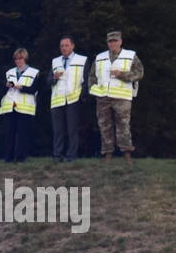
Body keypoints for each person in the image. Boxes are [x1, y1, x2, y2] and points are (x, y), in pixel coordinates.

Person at [88, 30, 143, 163]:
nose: (113, 44)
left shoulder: (130, 55)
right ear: (107, 43)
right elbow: (92, 76)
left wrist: (122, 75)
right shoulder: (100, 57)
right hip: (103, 96)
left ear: (120, 41)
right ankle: (107, 153)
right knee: (104, 125)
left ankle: (127, 153)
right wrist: (93, 90)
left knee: (123, 125)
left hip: (122, 96)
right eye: (110, 41)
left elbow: (139, 72)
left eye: (115, 41)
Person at [47, 35, 86, 162]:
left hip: (73, 99)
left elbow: (86, 81)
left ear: (72, 46)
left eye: (66, 45)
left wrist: (82, 97)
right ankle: (57, 155)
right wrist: (54, 78)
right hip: (57, 99)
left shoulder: (82, 60)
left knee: (72, 130)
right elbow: (48, 81)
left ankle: (71, 156)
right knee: (58, 130)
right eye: (62, 46)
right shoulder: (55, 61)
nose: (64, 48)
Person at [0, 48, 39, 162]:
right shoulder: (9, 72)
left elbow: (34, 89)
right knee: (9, 133)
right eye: (16, 59)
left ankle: (21, 158)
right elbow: (1, 90)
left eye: (20, 58)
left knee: (22, 134)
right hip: (10, 105)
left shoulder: (34, 72)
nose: (18, 61)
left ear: (25, 59)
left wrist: (21, 87)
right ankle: (8, 158)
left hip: (25, 107)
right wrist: (6, 85)